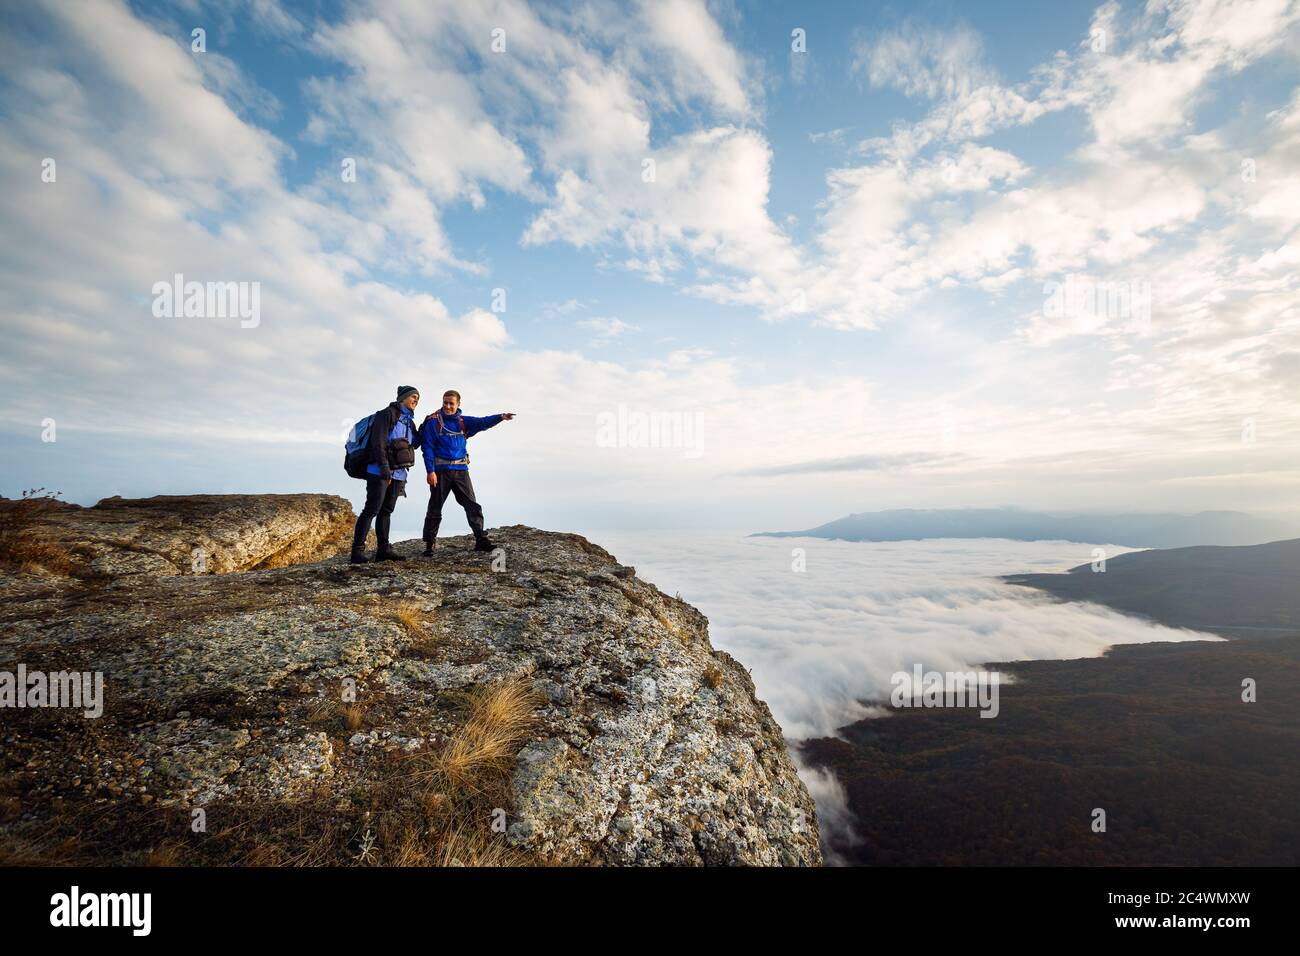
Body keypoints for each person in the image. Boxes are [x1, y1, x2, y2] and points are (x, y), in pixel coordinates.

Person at [420, 389, 515, 554]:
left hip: (461, 470)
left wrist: (500, 417)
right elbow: (427, 447)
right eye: (445, 403)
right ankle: (430, 544)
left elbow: (482, 422)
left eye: (451, 403)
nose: (448, 406)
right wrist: (430, 471)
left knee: (472, 506)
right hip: (441, 471)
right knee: (435, 507)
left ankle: (481, 540)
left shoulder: (463, 422)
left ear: (458, 404)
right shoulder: (433, 422)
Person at [350, 385, 420, 564]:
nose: (416, 401)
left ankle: (383, 550)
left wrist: (426, 425)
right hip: (379, 471)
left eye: (417, 398)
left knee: (386, 511)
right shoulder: (387, 414)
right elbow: (378, 441)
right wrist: (383, 467)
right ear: (402, 398)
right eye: (413, 397)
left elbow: (415, 444)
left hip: (398, 474)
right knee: (372, 509)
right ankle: (357, 551)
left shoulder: (409, 421)